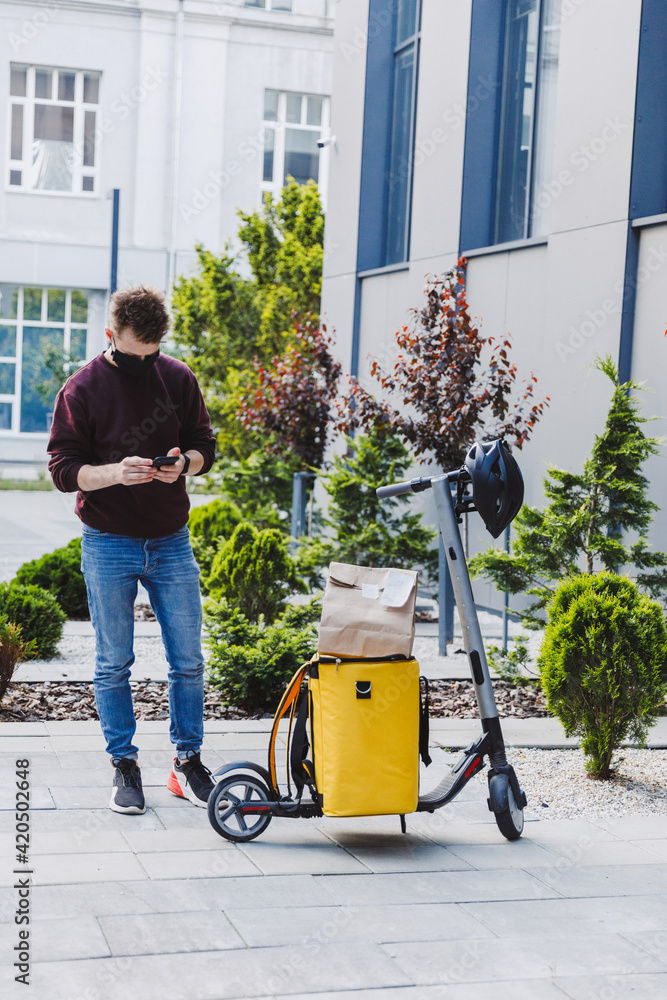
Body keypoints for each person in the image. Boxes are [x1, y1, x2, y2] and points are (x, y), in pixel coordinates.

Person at [48, 285, 217, 815]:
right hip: (108, 541)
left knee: (188, 660)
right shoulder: (82, 388)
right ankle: (124, 764)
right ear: (110, 337)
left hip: (171, 539)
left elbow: (204, 446)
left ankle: (187, 763)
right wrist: (114, 474)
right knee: (113, 662)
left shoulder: (178, 377)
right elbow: (62, 469)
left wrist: (183, 465)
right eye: (130, 355)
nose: (142, 366)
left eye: (151, 355)